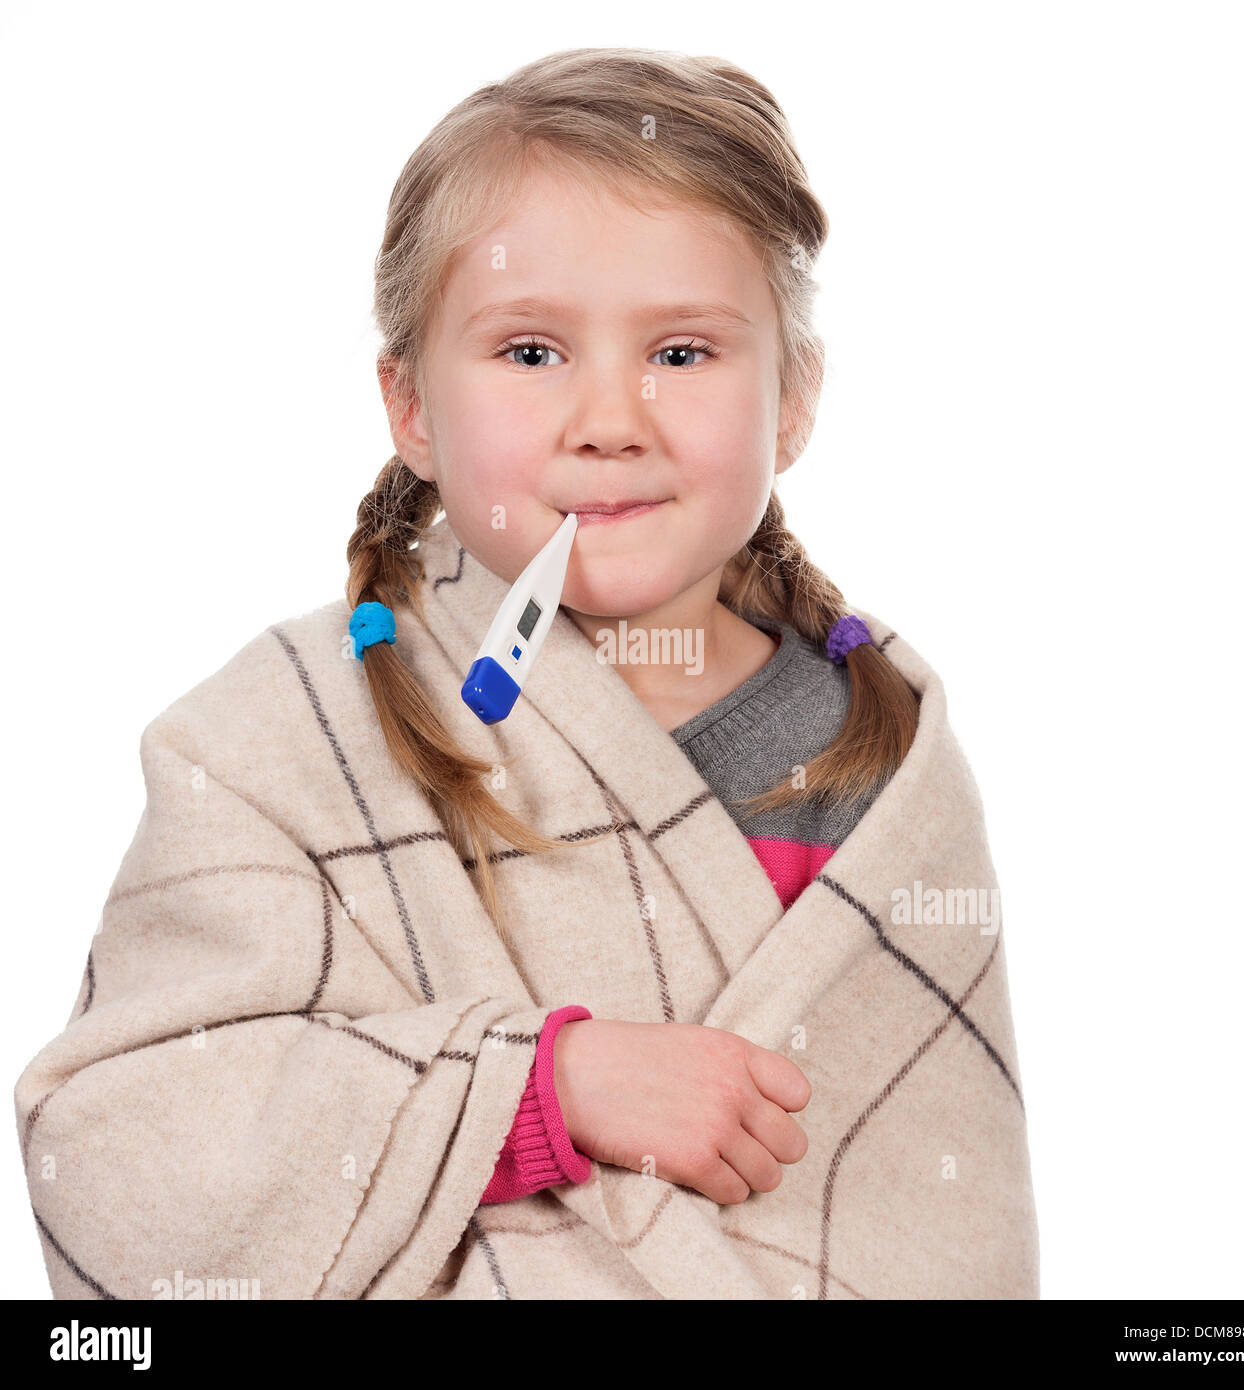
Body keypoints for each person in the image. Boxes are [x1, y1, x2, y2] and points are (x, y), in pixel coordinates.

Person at [15, 47, 1038, 1300]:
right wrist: (538, 1088)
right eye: (532, 352)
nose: (609, 421)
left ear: (791, 401)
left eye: (682, 352)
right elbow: (116, 1154)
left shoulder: (878, 762)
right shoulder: (270, 745)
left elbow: (940, 1223)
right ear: (411, 407)